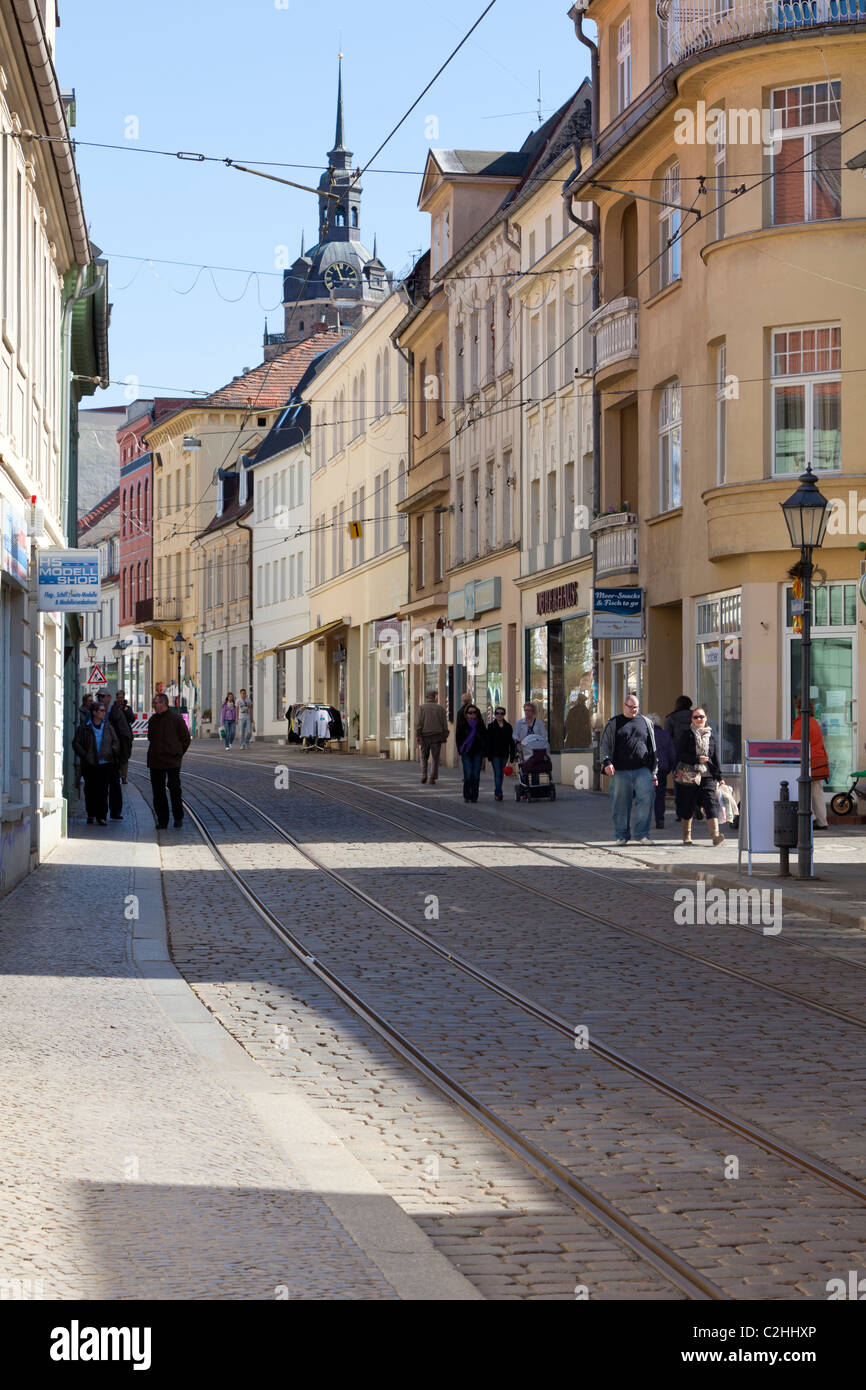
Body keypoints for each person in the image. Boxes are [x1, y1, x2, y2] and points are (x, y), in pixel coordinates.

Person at [599, 694, 658, 845]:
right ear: (624, 706)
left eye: (636, 707)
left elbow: (653, 747)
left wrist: (654, 771)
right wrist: (606, 762)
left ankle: (642, 834)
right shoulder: (614, 723)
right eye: (630, 707)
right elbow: (605, 744)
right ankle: (621, 835)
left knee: (647, 799)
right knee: (620, 803)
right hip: (620, 770)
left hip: (642, 769)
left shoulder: (646, 722)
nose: (633, 710)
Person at [674, 706, 726, 846]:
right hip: (690, 775)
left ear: (706, 718)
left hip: (708, 775)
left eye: (701, 717)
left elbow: (714, 758)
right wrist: (697, 759)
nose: (698, 719)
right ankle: (687, 836)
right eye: (695, 717)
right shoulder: (687, 734)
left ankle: (715, 836)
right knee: (688, 805)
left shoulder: (711, 736)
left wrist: (720, 778)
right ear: (692, 719)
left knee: (711, 804)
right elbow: (680, 754)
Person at [72, 701, 121, 826]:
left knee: (103, 790)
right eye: (101, 710)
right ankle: (91, 814)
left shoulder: (108, 726)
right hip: (90, 763)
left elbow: (116, 741)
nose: (104, 713)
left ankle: (102, 816)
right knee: (90, 790)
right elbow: (76, 743)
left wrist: (113, 751)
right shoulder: (85, 727)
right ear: (94, 713)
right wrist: (84, 755)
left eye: (104, 711)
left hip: (105, 763)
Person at [147, 692, 191, 829]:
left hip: (172, 761)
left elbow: (186, 739)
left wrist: (178, 753)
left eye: (156, 702)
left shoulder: (176, 719)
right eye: (154, 703)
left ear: (163, 703)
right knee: (158, 792)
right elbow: (150, 738)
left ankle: (178, 817)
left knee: (175, 789)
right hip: (156, 760)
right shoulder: (153, 720)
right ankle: (162, 820)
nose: (154, 705)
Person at [792, 698, 830, 830]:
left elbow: (794, 744)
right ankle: (822, 820)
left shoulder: (801, 723)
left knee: (804, 789)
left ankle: (811, 818)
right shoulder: (814, 722)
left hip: (808, 761)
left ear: (799, 709)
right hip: (819, 760)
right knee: (817, 792)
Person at [664, 696, 693, 821]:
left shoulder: (671, 718)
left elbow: (667, 739)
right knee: (693, 782)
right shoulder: (695, 716)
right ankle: (693, 807)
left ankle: (681, 812)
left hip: (677, 756)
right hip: (694, 754)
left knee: (679, 784)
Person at [647, 712, 676, 830]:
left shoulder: (645, 735)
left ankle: (645, 819)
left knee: (646, 795)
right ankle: (660, 819)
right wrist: (671, 767)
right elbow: (672, 754)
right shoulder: (665, 735)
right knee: (660, 795)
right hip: (662, 769)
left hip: (647, 770)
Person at [415, 689, 449, 784]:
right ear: (435, 697)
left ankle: (424, 774)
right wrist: (445, 735)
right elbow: (444, 724)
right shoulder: (441, 709)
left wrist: (418, 735)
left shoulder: (421, 708)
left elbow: (418, 723)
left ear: (427, 697)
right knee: (435, 758)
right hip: (437, 736)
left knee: (424, 757)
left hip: (425, 736)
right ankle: (432, 777)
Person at [457, 702, 487, 803]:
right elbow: (458, 738)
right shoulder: (462, 724)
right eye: (470, 713)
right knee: (468, 774)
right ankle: (466, 795)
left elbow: (484, 738)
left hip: (477, 752)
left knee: (476, 775)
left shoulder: (480, 725)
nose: (472, 714)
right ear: (466, 714)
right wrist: (460, 750)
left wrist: (483, 752)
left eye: (474, 712)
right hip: (466, 752)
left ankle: (474, 796)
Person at [486, 706, 515, 802]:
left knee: (501, 774)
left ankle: (498, 791)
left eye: (502, 713)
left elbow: (511, 742)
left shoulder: (508, 726)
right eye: (497, 713)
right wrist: (488, 755)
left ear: (504, 715)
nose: (499, 715)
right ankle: (498, 793)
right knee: (498, 773)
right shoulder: (491, 726)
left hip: (504, 754)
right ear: (495, 715)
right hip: (494, 754)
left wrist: (512, 757)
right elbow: (488, 742)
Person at [109, 690, 135, 786]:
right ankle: (117, 775)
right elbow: (111, 719)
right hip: (115, 735)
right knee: (116, 756)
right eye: (118, 697)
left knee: (125, 756)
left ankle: (124, 777)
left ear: (124, 697)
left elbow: (132, 719)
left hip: (125, 736)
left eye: (121, 697)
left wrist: (126, 711)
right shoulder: (113, 708)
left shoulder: (128, 708)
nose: (119, 699)